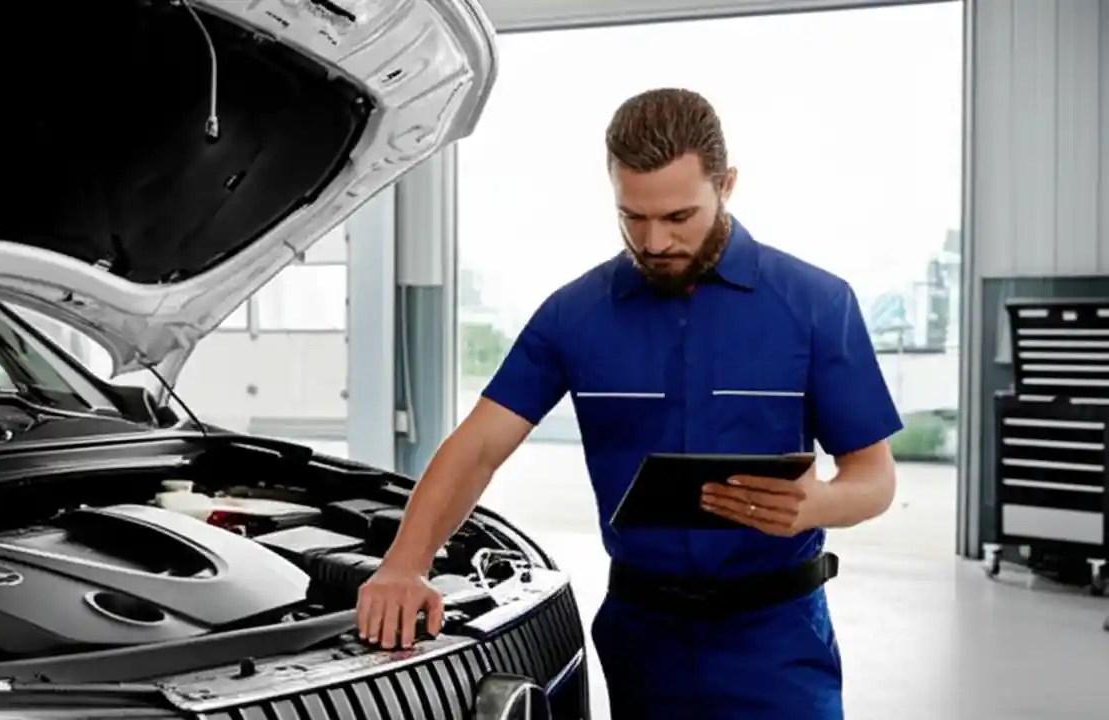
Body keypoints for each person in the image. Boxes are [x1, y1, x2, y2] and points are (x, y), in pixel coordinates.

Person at [355, 87, 901, 719]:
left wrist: (819, 504)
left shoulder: (816, 304)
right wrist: (404, 563)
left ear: (727, 184)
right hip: (643, 637)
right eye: (632, 217)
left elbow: (876, 478)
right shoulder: (573, 315)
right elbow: (478, 446)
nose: (655, 240)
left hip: (776, 637)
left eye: (678, 217)